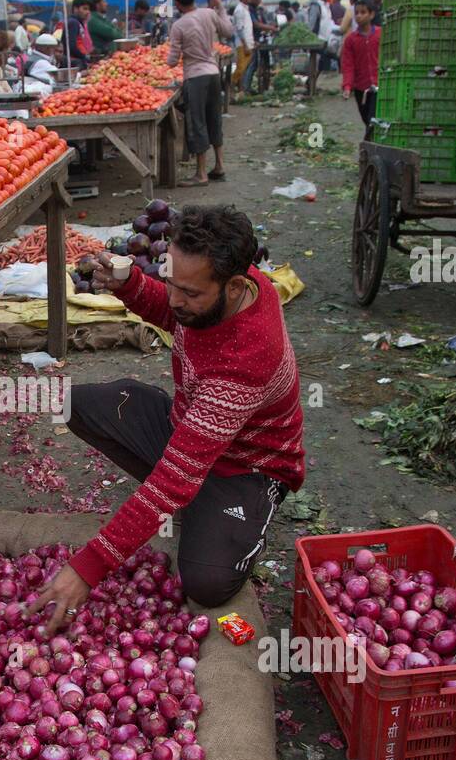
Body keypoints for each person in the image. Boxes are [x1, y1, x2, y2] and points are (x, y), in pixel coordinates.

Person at [32, 206, 306, 632]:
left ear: (237, 285)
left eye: (190, 292)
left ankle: (235, 511)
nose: (177, 298)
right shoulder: (213, 293)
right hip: (191, 427)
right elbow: (172, 314)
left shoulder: (247, 356)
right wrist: (132, 285)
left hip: (247, 467)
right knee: (75, 404)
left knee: (207, 583)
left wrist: (87, 568)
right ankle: (192, 501)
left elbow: (175, 476)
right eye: (171, 283)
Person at [167, 0, 235, 185]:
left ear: (177, 3)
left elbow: (171, 60)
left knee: (197, 122)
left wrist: (170, 57)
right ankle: (220, 166)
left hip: (195, 77)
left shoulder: (178, 25)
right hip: (213, 73)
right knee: (214, 119)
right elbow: (229, 31)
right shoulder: (209, 14)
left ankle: (201, 174)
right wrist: (220, 7)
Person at [341, 0, 381, 136]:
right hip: (361, 88)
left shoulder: (381, 35)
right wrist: (347, 86)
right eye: (357, 13)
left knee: (372, 120)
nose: (359, 16)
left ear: (371, 15)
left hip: (379, 85)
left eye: (363, 12)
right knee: (366, 119)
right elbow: (348, 65)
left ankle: (367, 149)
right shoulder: (351, 40)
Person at [307, 0, 339, 70]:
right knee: (326, 58)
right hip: (318, 38)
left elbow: (329, 22)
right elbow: (311, 22)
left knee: (326, 60)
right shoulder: (316, 6)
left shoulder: (328, 6)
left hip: (327, 39)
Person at [231, 0, 256, 91]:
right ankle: (229, 86)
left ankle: (240, 90)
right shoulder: (239, 10)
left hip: (248, 43)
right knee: (240, 68)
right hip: (242, 44)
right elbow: (240, 29)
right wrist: (245, 45)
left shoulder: (246, 9)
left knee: (244, 68)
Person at [66, 0, 94, 68]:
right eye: (85, 9)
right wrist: (84, 57)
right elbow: (72, 47)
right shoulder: (73, 23)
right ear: (75, 9)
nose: (88, 12)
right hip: (75, 63)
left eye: (88, 9)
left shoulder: (79, 23)